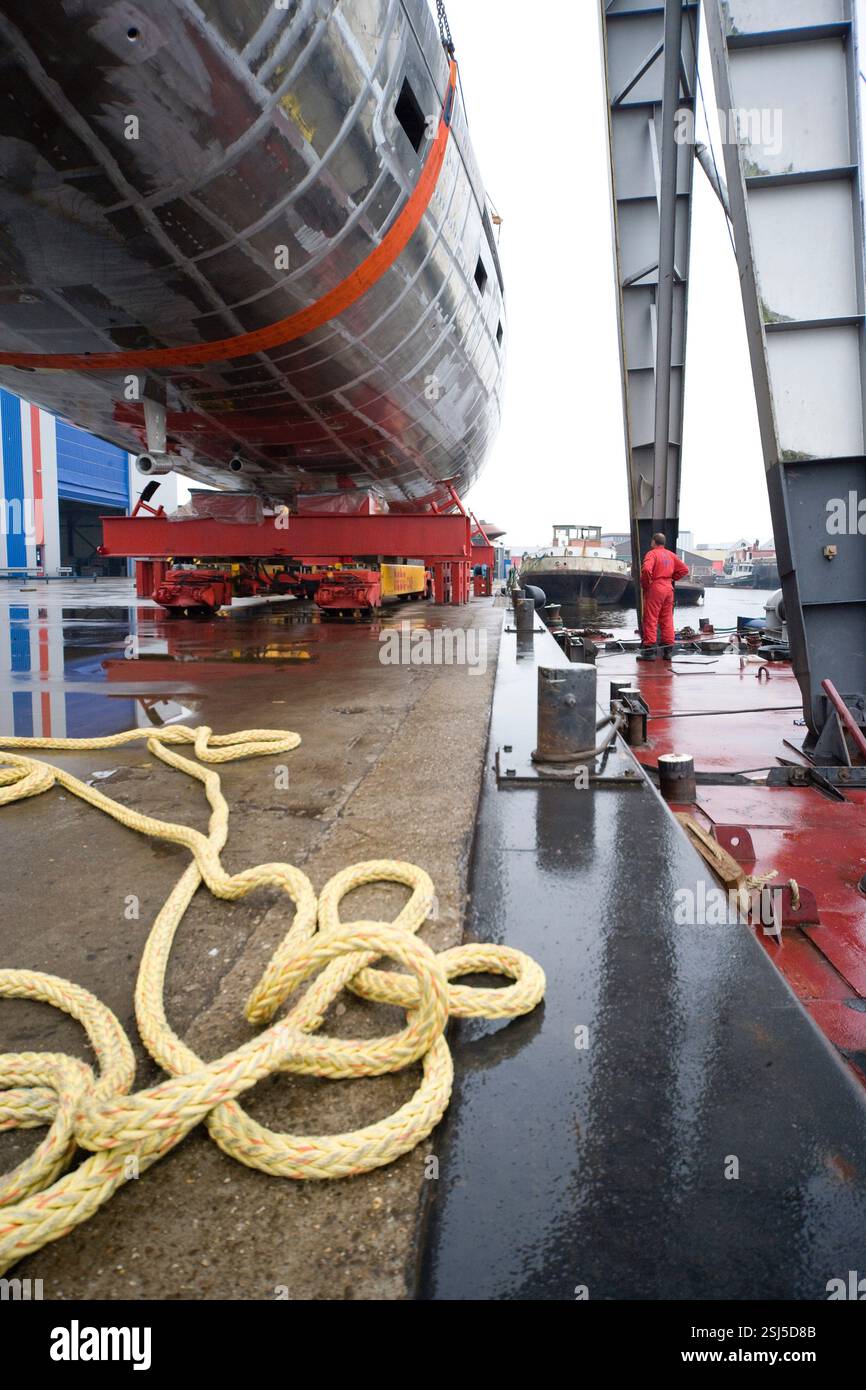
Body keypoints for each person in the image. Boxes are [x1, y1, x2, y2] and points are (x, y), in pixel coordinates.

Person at [638, 533, 689, 661]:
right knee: (667, 618)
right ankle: (668, 650)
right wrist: (671, 578)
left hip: (656, 588)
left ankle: (649, 651)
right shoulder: (671, 555)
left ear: (653, 542)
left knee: (651, 618)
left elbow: (646, 570)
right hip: (668, 589)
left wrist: (646, 585)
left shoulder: (652, 554)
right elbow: (684, 570)